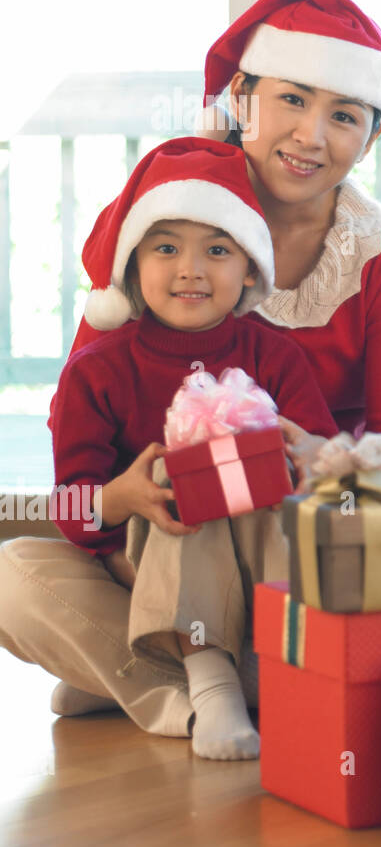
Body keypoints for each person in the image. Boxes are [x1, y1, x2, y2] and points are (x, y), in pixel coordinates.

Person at [0, 0, 381, 731]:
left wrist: (319, 459)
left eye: (343, 115)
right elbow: (84, 409)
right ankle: (258, 676)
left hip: (301, 533)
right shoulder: (169, 208)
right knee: (13, 574)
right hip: (156, 537)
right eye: (293, 100)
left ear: (370, 136)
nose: (310, 135)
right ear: (242, 96)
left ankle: (142, 674)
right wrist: (132, 501)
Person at [16, 139, 336, 754]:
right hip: (137, 568)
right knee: (179, 498)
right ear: (134, 267)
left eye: (217, 250)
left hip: (261, 566)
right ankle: (213, 684)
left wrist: (313, 455)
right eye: (167, 248)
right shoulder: (97, 370)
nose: (191, 268)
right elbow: (70, 509)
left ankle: (126, 677)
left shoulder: (275, 358)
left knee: (221, 485)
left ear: (249, 269)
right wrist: (125, 497)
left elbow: (322, 469)